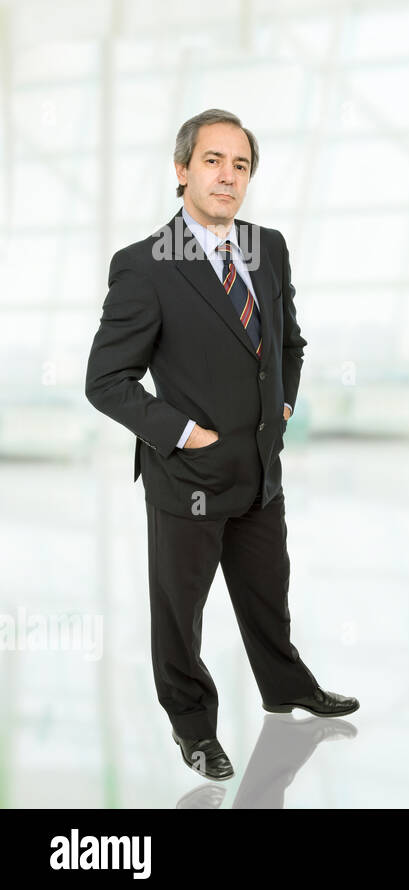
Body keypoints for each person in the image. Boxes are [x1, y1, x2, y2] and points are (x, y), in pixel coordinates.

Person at [85, 109, 358, 782]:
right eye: (213, 161)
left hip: (261, 468)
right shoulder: (145, 266)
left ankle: (285, 685)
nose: (227, 176)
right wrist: (183, 432)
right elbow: (105, 380)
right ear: (182, 172)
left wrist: (283, 406)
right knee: (181, 614)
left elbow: (289, 342)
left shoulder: (269, 247)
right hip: (189, 476)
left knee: (269, 591)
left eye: (240, 165)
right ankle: (192, 725)